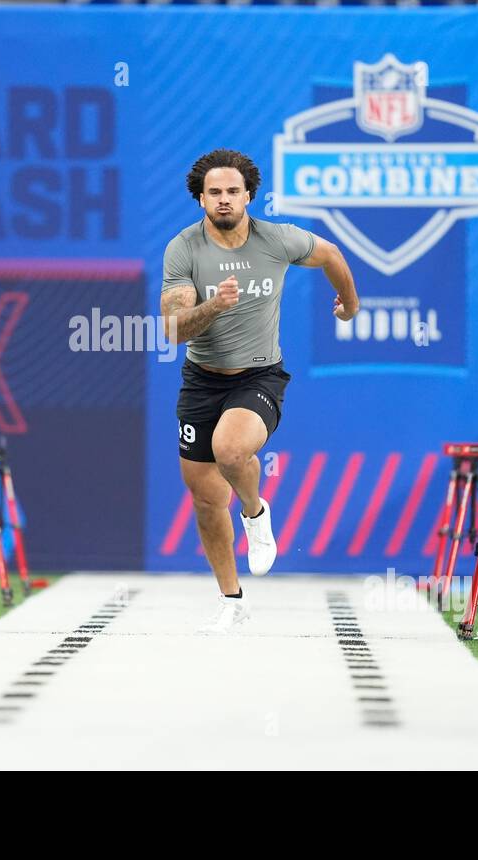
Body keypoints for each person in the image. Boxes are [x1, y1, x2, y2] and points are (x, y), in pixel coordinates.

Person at [160, 149, 360, 634]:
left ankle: (255, 511)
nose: (224, 200)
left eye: (233, 191)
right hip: (201, 380)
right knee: (207, 501)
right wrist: (213, 307)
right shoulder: (183, 249)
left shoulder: (277, 239)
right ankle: (232, 600)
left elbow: (331, 254)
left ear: (249, 194)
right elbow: (172, 330)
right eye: (214, 193)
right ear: (200, 199)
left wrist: (350, 305)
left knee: (230, 450)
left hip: (259, 376)